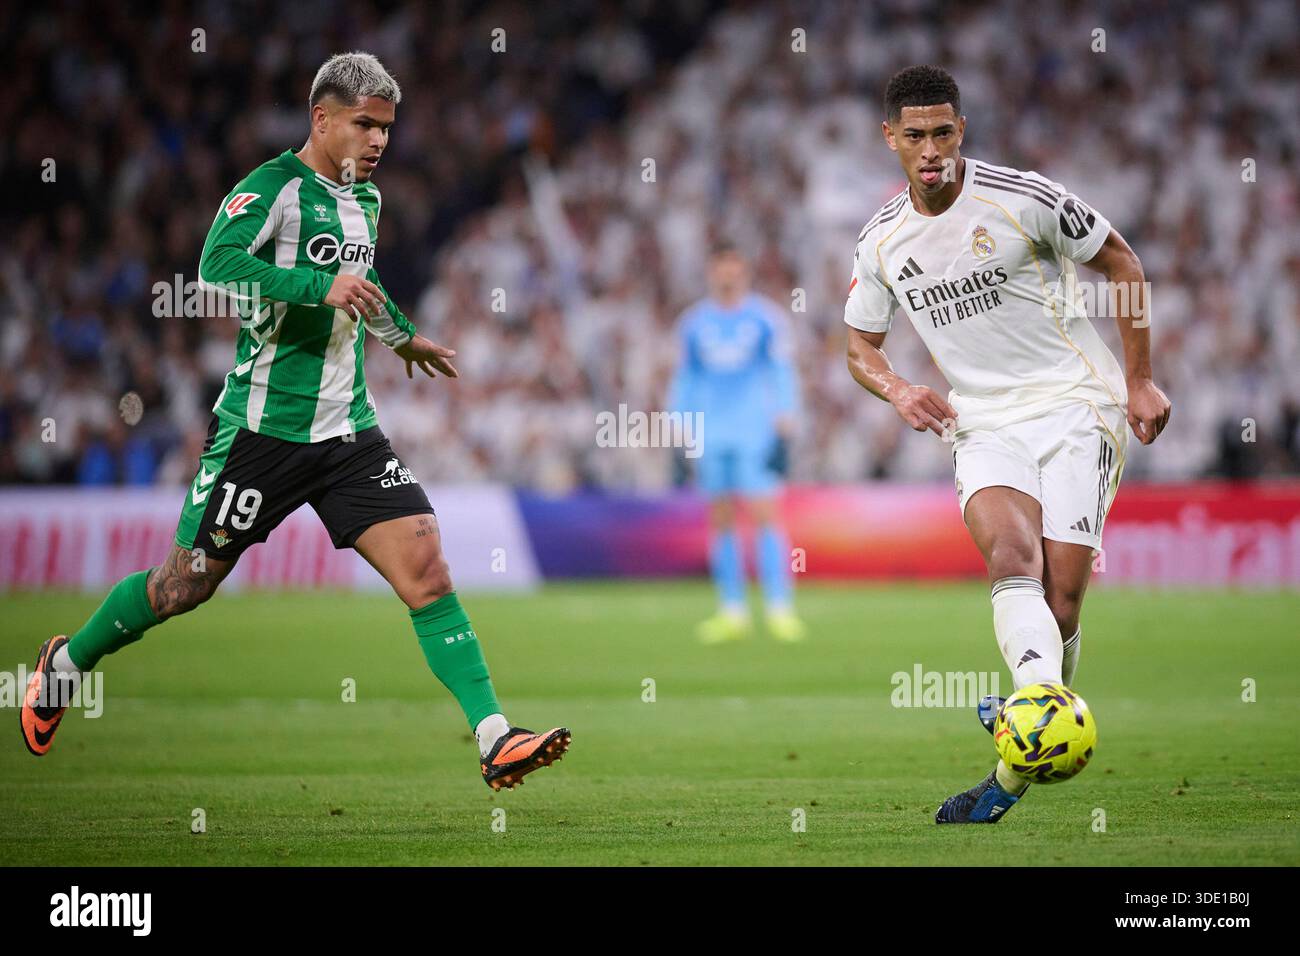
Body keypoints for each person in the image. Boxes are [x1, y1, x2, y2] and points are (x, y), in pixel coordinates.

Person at [21, 52, 570, 792]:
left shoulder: (366, 204)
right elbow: (215, 265)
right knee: (181, 587)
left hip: (347, 432)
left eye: (386, 130)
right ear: (322, 118)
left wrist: (402, 336)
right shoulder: (271, 188)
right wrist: (318, 284)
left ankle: (495, 736)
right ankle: (65, 665)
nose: (378, 142)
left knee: (428, 570)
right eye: (364, 125)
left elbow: (362, 283)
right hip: (261, 432)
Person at [843, 66, 1170, 823]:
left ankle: (1010, 777)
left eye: (944, 132)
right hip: (983, 419)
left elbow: (1120, 259)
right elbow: (859, 344)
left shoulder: (1022, 197)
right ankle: (1031, 714)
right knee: (1011, 560)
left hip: (1076, 406)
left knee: (1061, 600)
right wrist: (896, 387)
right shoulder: (882, 241)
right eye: (915, 135)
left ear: (962, 132)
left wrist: (1141, 380)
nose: (932, 149)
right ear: (889, 138)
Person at [668, 243, 805, 644]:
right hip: (711, 431)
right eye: (721, 268)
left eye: (734, 268)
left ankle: (780, 608)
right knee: (721, 517)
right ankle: (733, 610)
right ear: (712, 272)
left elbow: (781, 370)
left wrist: (786, 413)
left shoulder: (766, 319)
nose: (727, 275)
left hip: (754, 429)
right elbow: (686, 377)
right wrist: (678, 421)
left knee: (765, 513)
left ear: (744, 271)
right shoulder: (693, 323)